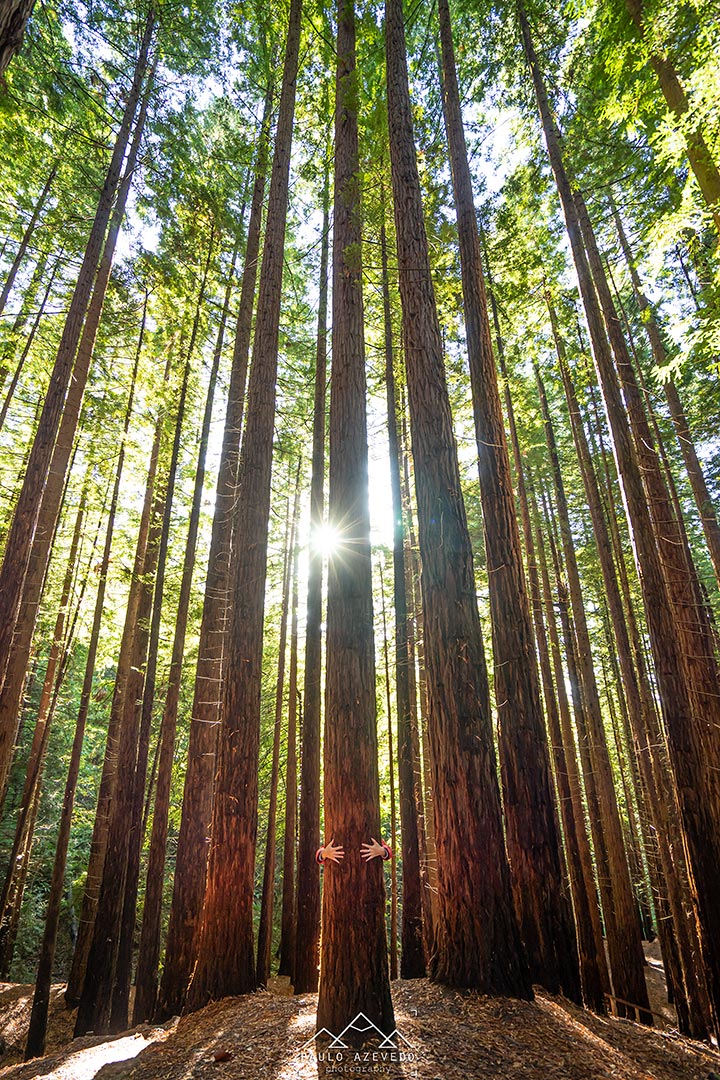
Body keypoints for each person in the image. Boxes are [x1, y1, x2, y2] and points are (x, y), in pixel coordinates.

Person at [316, 837, 392, 864]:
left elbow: (388, 852)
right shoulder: (336, 833)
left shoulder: (370, 833)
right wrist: (324, 853)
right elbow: (319, 856)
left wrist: (382, 851)